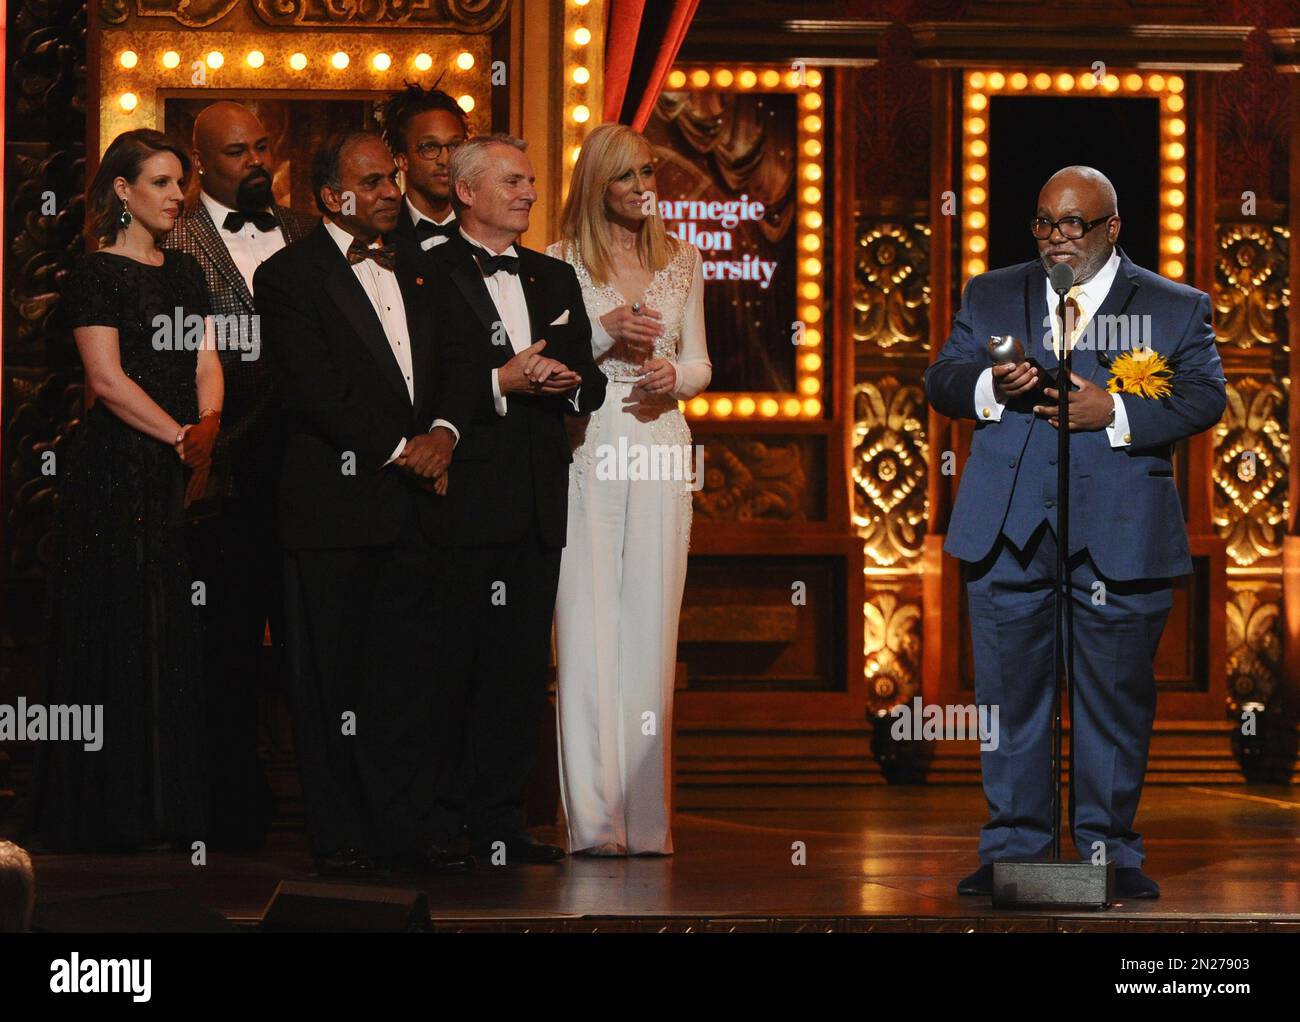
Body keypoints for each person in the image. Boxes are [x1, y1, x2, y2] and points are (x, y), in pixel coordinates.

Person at [924, 166, 1226, 899]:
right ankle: (1013, 852)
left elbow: (1204, 397)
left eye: (1074, 225)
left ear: (1111, 228)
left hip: (1119, 536)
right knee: (1010, 700)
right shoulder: (991, 292)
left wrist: (1115, 412)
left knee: (1113, 701)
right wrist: (988, 387)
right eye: (1045, 223)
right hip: (1008, 531)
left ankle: (1107, 856)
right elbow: (942, 379)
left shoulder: (1172, 306)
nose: (1057, 238)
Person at [253, 129, 483, 877]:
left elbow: (461, 361)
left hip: (426, 503)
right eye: (375, 181)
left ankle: (409, 827)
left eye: (392, 178)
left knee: (415, 673)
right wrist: (402, 450)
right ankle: (343, 832)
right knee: (332, 679)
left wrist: (444, 434)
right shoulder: (289, 275)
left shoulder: (428, 263)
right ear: (330, 196)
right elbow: (314, 388)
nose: (393, 190)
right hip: (337, 508)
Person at [31, 128, 223, 851]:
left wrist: (208, 423)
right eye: (164, 183)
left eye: (182, 183)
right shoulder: (97, 274)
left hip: (180, 461)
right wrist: (180, 434)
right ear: (123, 190)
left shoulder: (186, 273)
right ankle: (109, 811)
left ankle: (166, 807)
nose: (179, 196)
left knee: (169, 623)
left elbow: (207, 357)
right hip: (115, 468)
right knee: (114, 622)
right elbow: (106, 382)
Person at [427, 133, 606, 864]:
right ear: (466, 192)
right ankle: (439, 823)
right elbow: (417, 384)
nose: (530, 193)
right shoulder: (424, 271)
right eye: (513, 182)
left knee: (518, 670)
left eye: (531, 182)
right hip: (460, 498)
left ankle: (501, 820)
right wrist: (501, 382)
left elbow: (590, 378)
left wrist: (568, 383)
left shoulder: (551, 276)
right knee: (450, 664)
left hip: (537, 500)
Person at [547, 123, 711, 855]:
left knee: (651, 624)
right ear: (597, 185)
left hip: (661, 439)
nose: (644, 187)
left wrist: (678, 376)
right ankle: (593, 823)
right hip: (590, 440)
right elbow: (549, 362)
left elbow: (702, 361)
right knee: (587, 625)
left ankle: (647, 822)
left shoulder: (684, 260)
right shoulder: (555, 264)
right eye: (627, 177)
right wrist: (606, 334)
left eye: (649, 173)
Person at [161, 101, 317, 849]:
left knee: (309, 643)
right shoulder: (176, 236)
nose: (254, 161)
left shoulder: (305, 230)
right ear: (200, 166)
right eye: (234, 153)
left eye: (261, 147)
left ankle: (327, 805)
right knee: (221, 643)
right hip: (221, 471)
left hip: (312, 465)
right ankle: (228, 812)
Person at [380, 83, 467, 251]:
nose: (445, 159)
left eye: (455, 146)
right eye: (429, 147)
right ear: (402, 161)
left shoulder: (487, 229)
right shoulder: (381, 236)